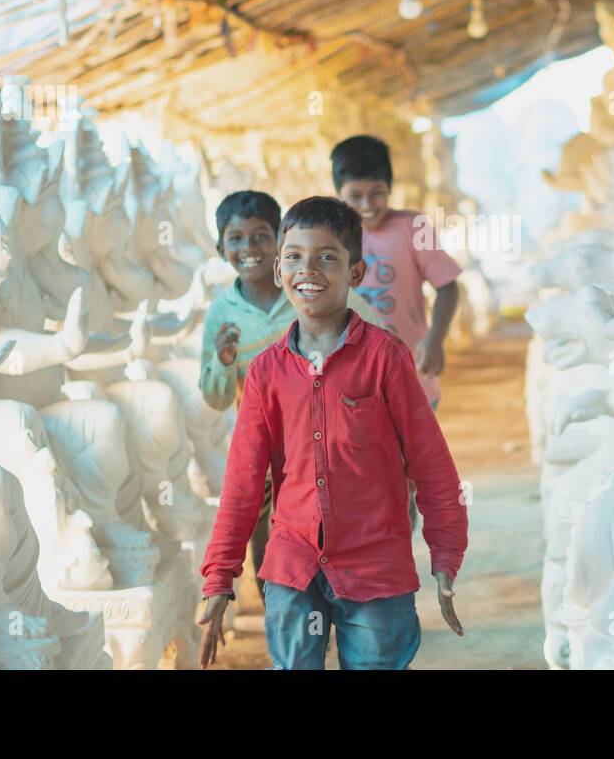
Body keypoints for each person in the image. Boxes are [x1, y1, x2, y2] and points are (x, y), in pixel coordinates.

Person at [198, 197, 468, 670]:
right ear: (280, 269)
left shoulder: (386, 358)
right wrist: (220, 576)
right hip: (293, 566)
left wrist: (446, 552)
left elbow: (430, 462)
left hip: (376, 567)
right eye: (295, 256)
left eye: (327, 257)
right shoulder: (265, 373)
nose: (309, 269)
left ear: (356, 273)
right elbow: (242, 484)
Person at [198, 190, 378, 602]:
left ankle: (339, 610)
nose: (249, 248)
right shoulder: (222, 315)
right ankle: (283, 612)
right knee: (268, 537)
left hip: (329, 437)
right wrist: (224, 362)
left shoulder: (312, 290)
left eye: (261, 236)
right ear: (220, 247)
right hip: (263, 447)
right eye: (236, 239)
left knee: (329, 524)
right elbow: (214, 398)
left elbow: (373, 335)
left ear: (280, 243)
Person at [330, 135, 462, 530]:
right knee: (363, 483)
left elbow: (448, 286)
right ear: (337, 191)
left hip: (410, 377)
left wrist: (434, 339)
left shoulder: (413, 226)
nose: (368, 205)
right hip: (349, 383)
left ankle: (395, 570)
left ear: (391, 188)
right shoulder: (328, 232)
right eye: (356, 195)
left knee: (404, 480)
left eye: (378, 193)